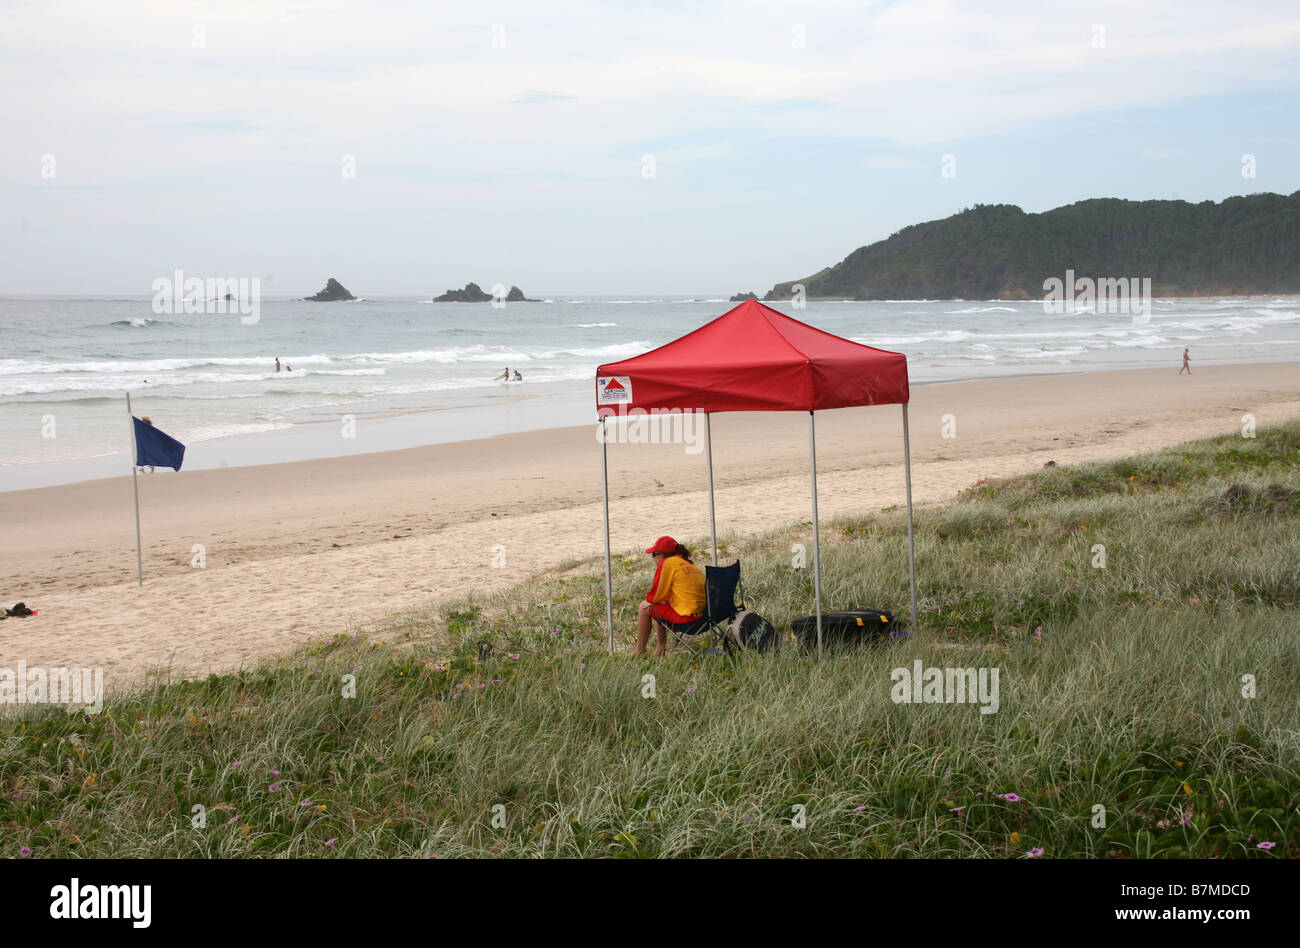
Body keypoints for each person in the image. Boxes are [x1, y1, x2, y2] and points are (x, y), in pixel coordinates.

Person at [635, 536, 706, 657]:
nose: (653, 559)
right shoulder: (689, 563)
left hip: (687, 619)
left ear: (661, 555)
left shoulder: (667, 563)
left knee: (643, 607)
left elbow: (654, 597)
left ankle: (640, 650)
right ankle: (660, 649)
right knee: (662, 606)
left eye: (653, 555)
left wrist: (653, 599)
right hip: (705, 616)